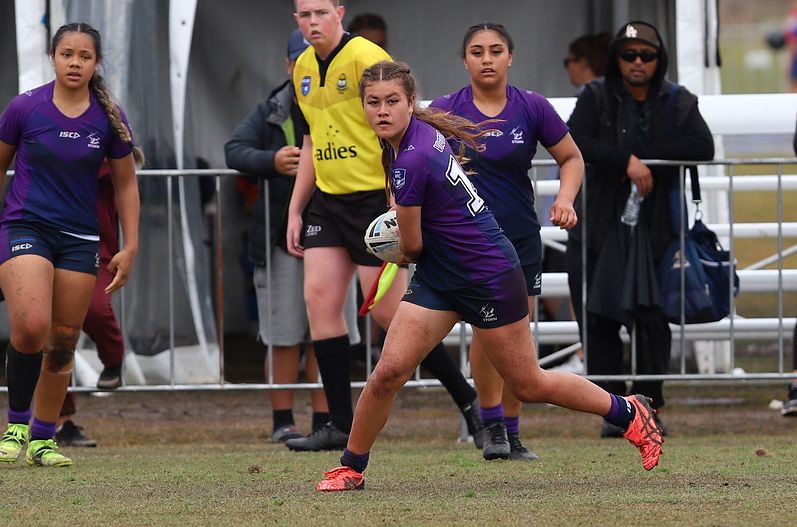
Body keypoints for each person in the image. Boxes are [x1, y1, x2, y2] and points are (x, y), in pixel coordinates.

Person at [315, 60, 664, 491]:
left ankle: (630, 412)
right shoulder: (408, 138)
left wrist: (391, 246)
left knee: (529, 383)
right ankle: (351, 466)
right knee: (388, 372)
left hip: (488, 275)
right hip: (442, 275)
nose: (382, 111)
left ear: (411, 104)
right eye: (373, 102)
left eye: (392, 102)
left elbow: (414, 247)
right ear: (362, 107)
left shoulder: (413, 156)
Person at [285, 0, 482, 452]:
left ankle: (469, 402)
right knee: (320, 301)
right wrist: (296, 209)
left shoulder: (366, 57)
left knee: (391, 315)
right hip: (328, 202)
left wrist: (398, 201)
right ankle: (338, 422)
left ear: (340, 11)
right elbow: (312, 140)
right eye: (303, 15)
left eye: (320, 12)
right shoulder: (302, 69)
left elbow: (399, 128)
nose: (312, 22)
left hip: (374, 201)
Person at [430, 23, 583, 461]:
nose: (487, 58)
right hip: (467, 240)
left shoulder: (532, 107)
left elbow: (571, 157)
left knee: (517, 336)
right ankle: (492, 423)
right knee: (485, 332)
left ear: (510, 57)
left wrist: (566, 199)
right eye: (477, 51)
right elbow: (413, 162)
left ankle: (512, 433)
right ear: (465, 60)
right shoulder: (444, 110)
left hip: (518, 238)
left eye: (496, 50)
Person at [0, 22, 141, 467]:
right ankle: (16, 427)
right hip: (25, 227)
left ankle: (44, 440)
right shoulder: (24, 108)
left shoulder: (109, 117)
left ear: (96, 63)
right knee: (31, 326)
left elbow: (126, 186)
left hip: (80, 237)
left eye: (84, 55)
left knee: (62, 342)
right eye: (67, 54)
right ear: (53, 57)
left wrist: (130, 246)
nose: (74, 62)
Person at [566, 21, 714, 438]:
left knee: (652, 319)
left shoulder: (676, 100)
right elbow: (575, 140)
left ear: (658, 59)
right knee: (599, 316)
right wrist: (625, 161)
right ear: (616, 57)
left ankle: (648, 404)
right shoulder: (596, 96)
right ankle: (614, 411)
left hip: (655, 229)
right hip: (599, 225)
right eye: (629, 54)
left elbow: (703, 145)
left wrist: (640, 158)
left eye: (646, 55)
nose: (637, 62)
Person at [225, 29, 360, 442]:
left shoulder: (351, 100)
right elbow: (233, 150)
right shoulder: (272, 108)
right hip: (280, 238)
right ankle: (282, 419)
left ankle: (328, 419)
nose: (310, 61)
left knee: (329, 330)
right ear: (289, 66)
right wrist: (271, 160)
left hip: (338, 232)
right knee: (284, 336)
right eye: (299, 57)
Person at [56, 159, 127, 448]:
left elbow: (125, 179)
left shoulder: (104, 133)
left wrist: (130, 246)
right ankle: (58, 423)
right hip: (46, 237)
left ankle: (113, 360)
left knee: (97, 309)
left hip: (93, 242)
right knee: (54, 333)